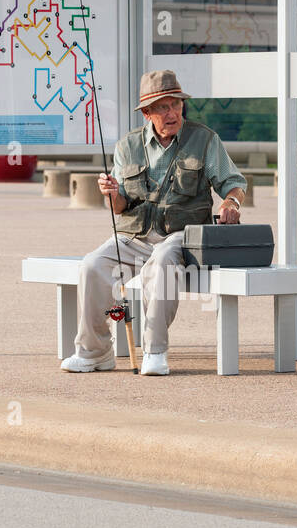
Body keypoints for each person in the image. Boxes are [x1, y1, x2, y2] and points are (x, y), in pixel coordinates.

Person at [61, 69, 247, 376]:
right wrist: (112, 193)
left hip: (182, 236)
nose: (172, 112)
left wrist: (231, 202)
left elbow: (234, 183)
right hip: (133, 236)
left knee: (162, 261)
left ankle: (154, 350)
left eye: (176, 104)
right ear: (147, 113)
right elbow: (120, 208)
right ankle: (95, 352)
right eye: (163, 107)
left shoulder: (205, 140)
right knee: (92, 265)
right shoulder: (127, 147)